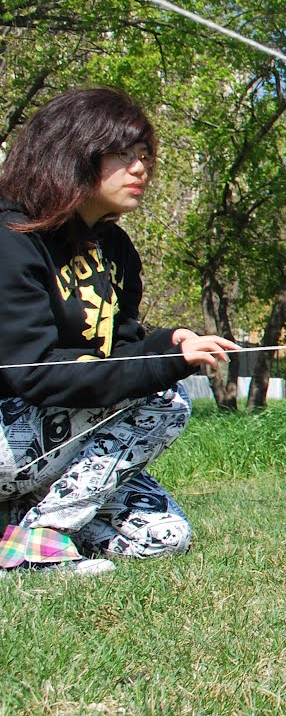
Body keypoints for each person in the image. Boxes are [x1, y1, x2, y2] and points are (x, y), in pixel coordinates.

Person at [0, 87, 239, 576]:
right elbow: (34, 373)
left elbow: (121, 347)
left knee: (163, 537)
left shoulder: (116, 249)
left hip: (53, 446)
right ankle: (37, 542)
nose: (140, 169)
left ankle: (16, 522)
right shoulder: (13, 237)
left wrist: (172, 343)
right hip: (8, 430)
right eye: (123, 155)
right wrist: (160, 365)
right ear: (74, 152)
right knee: (164, 404)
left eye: (144, 156)